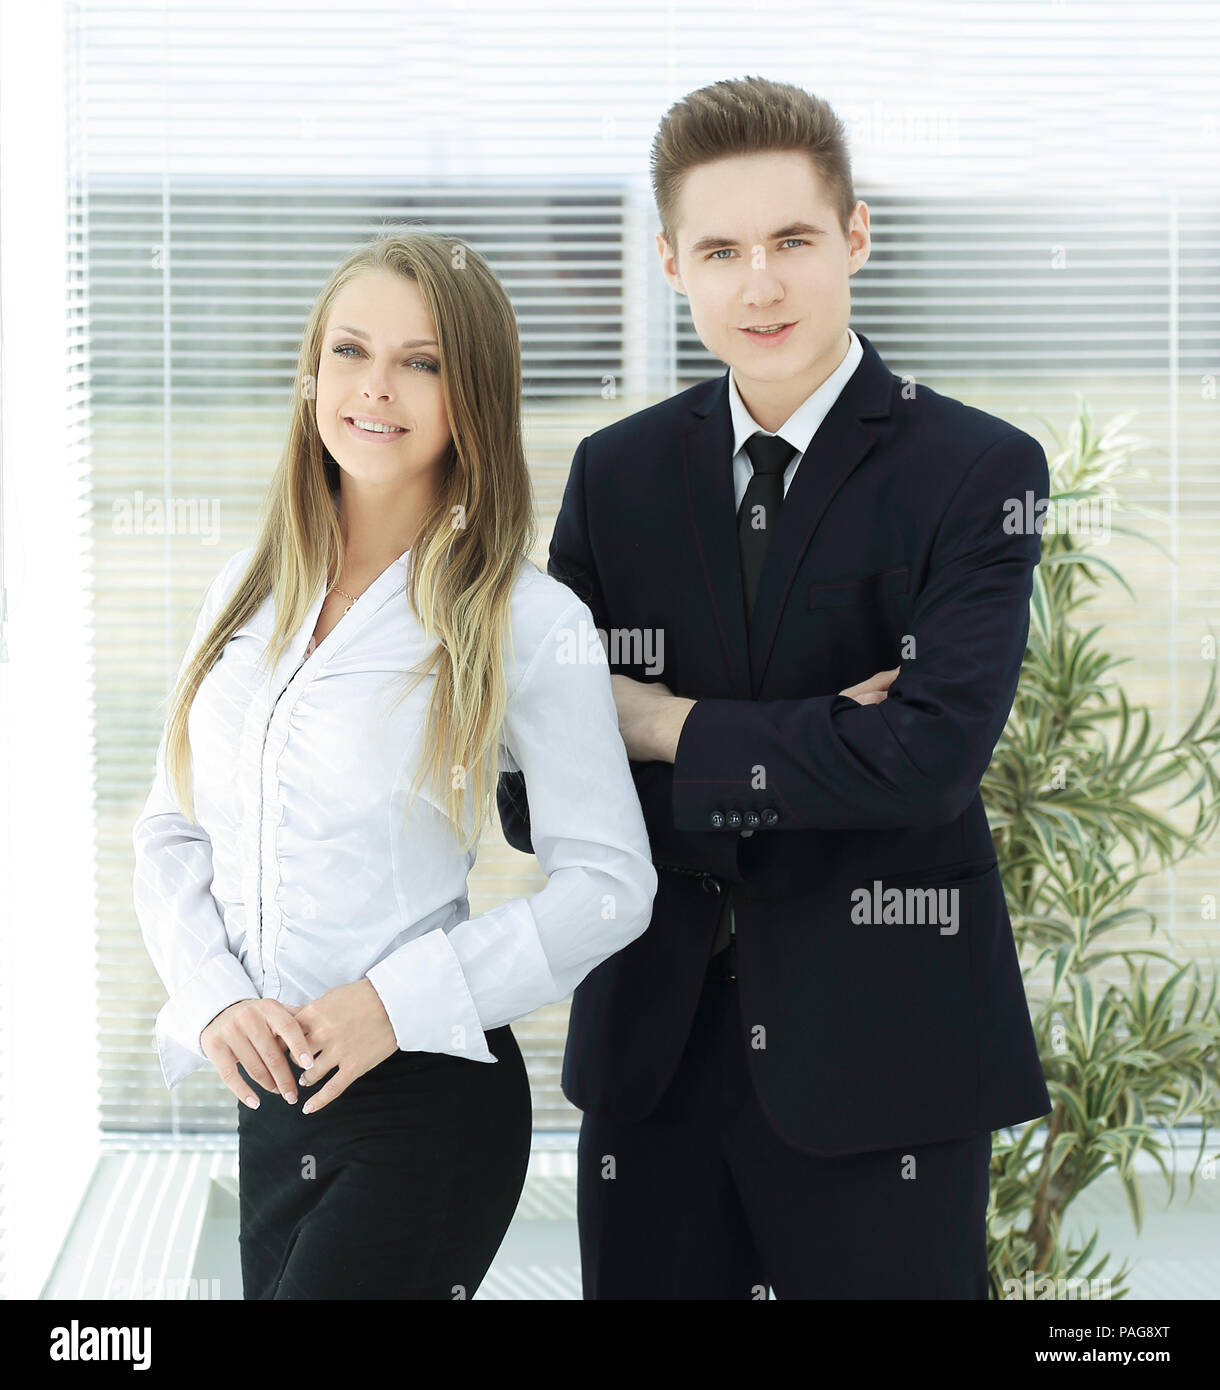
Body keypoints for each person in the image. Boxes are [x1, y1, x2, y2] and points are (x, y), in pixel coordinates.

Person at [498, 76, 1053, 1299]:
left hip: (884, 1065)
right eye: (721, 249)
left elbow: (926, 761)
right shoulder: (616, 475)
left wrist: (657, 724)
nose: (760, 284)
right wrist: (813, 746)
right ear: (667, 261)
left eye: (792, 241)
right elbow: (536, 794)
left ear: (853, 236)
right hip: (652, 1062)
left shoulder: (974, 471)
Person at [131, 230, 657, 1300]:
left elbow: (612, 889)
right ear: (312, 371)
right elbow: (169, 829)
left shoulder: (523, 617)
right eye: (350, 351)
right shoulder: (245, 584)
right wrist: (214, 994)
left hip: (424, 1102)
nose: (375, 388)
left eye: (421, 362)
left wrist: (393, 999)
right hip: (272, 1101)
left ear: (473, 392)